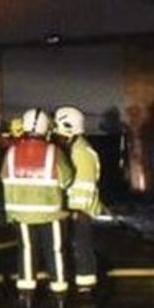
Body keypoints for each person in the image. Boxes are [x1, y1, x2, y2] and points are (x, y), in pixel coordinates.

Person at [2, 108, 74, 308]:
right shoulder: (54, 152)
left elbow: (4, 178)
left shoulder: (12, 152)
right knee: (55, 251)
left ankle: (26, 295)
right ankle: (59, 295)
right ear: (46, 128)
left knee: (26, 251)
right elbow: (67, 180)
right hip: (52, 213)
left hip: (22, 214)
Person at [54, 106, 104, 294]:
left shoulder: (81, 152)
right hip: (72, 208)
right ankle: (81, 280)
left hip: (79, 210)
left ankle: (86, 284)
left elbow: (85, 185)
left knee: (80, 245)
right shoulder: (74, 147)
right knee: (73, 245)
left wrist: (77, 210)